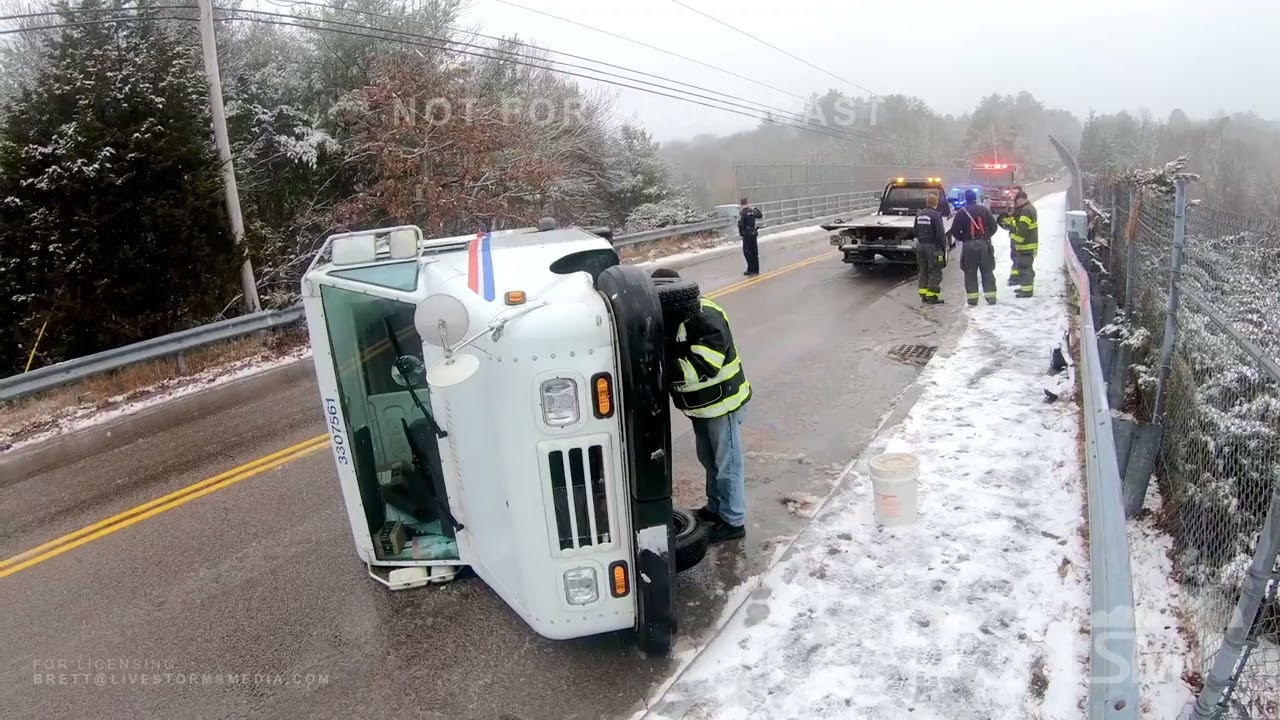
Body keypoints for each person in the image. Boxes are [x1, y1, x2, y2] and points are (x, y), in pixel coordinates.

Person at [651, 267, 751, 543]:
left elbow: (704, 364)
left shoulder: (706, 316)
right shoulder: (671, 317)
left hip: (722, 405)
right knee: (709, 460)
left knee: (727, 464)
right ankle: (715, 509)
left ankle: (733, 521)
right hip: (701, 407)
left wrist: (660, 368)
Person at [951, 188, 1000, 306]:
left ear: (965, 199)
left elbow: (954, 231)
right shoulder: (984, 210)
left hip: (969, 245)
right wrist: (986, 236)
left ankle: (972, 299)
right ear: (976, 198)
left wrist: (964, 238)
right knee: (987, 271)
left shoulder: (961, 212)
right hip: (984, 245)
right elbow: (994, 227)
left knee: (970, 272)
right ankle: (991, 297)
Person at [999, 190, 1039, 298]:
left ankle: (1026, 291)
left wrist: (1012, 234)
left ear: (1021, 199)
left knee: (1025, 268)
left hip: (1025, 245)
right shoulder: (1029, 208)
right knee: (1025, 267)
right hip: (1029, 244)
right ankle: (1025, 287)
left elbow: (1021, 232)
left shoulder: (1025, 211)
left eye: (1016, 201)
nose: (1016, 204)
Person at [913, 193, 948, 305]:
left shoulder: (919, 214)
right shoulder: (936, 215)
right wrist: (942, 248)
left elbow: (915, 230)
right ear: (936, 203)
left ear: (927, 202)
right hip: (932, 247)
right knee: (935, 270)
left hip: (921, 246)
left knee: (923, 270)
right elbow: (940, 234)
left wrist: (921, 240)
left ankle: (923, 294)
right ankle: (932, 296)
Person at [737, 197, 763, 276]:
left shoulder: (742, 213)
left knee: (747, 253)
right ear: (747, 202)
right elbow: (760, 215)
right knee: (754, 252)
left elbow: (740, 225)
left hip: (747, 235)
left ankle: (750, 269)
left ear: (741, 204)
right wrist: (756, 209)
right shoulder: (752, 211)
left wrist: (742, 234)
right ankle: (756, 269)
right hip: (753, 234)